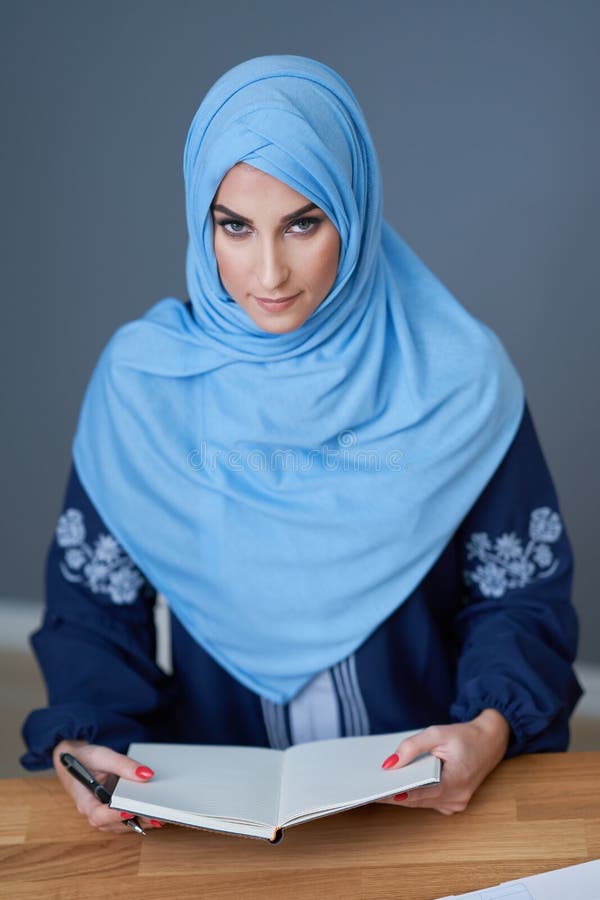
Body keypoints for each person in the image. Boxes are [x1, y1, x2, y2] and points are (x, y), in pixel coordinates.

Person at [21, 55, 582, 834]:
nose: (270, 271)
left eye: (304, 222)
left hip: (429, 797)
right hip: (207, 817)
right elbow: (93, 611)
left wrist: (487, 730)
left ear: (354, 210)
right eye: (235, 227)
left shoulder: (457, 376)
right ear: (200, 219)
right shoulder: (144, 387)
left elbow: (516, 596)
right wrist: (89, 744)